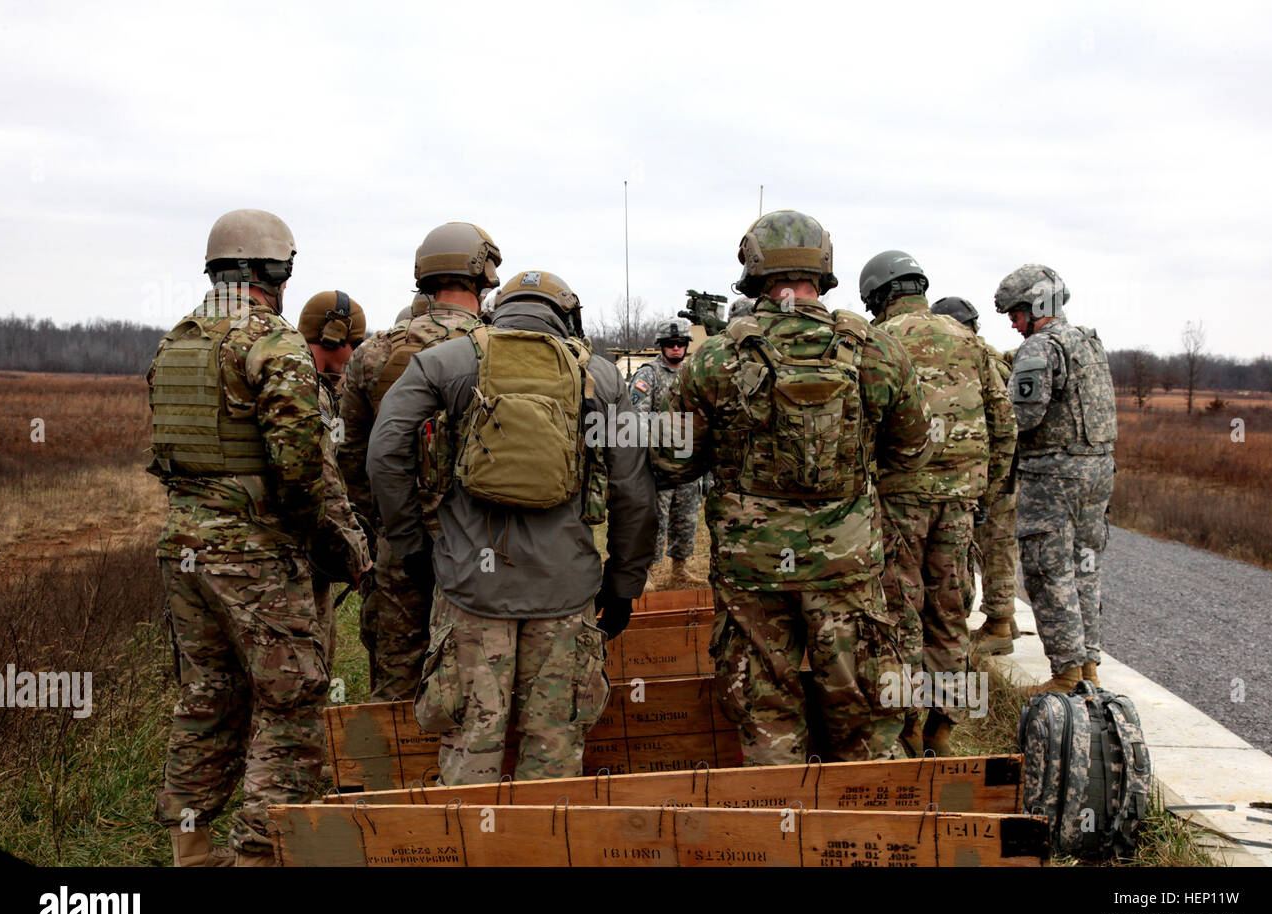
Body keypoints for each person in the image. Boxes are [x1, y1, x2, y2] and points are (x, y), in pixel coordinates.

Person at [652, 211, 935, 765]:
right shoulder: (876, 350)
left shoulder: (713, 358)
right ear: (823, 268)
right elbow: (914, 451)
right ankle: (869, 822)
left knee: (765, 709)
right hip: (847, 564)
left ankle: (784, 823)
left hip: (752, 569)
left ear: (754, 272)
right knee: (864, 709)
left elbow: (672, 460)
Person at [367, 269, 656, 784]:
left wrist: (413, 547)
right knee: (553, 754)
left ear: (498, 310)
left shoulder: (443, 362)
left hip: (469, 588)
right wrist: (625, 582)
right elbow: (633, 490)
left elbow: (385, 453)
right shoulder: (604, 378)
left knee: (469, 748)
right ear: (565, 316)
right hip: (565, 593)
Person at [147, 209, 331, 866]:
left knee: (207, 694)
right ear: (270, 270)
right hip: (254, 554)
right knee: (292, 699)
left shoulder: (176, 341)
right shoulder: (273, 341)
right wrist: (324, 542)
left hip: (183, 549)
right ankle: (262, 853)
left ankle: (190, 850)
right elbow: (300, 464)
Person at [859, 255, 1016, 757]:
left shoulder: (877, 341)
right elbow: (1004, 423)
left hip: (899, 500)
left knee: (900, 612)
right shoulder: (970, 340)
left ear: (878, 297)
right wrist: (984, 496)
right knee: (950, 612)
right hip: (960, 501)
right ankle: (943, 728)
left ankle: (902, 725)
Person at [338, 223, 500, 702]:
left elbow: (353, 456)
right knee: (480, 682)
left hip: (400, 543)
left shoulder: (373, 353)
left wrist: (384, 525)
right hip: (482, 543)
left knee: (397, 681)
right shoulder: (500, 348)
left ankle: (394, 771)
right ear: (484, 276)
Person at [995, 264, 1117, 693]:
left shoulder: (1038, 350)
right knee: (1085, 569)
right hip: (1097, 472)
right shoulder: (1089, 343)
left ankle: (1065, 675)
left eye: (1015, 314)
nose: (1012, 323)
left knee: (1049, 571)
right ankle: (1087, 669)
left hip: (1053, 477)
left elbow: (1021, 418)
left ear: (1034, 308)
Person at [931, 296, 1021, 657]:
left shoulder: (969, 358)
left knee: (990, 547)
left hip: (989, 472)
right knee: (996, 546)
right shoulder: (990, 355)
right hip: (999, 467)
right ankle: (1003, 618)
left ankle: (998, 623)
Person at [295, 291, 373, 669]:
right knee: (307, 672)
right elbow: (322, 478)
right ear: (332, 336)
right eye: (355, 344)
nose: (356, 355)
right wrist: (355, 554)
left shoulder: (285, 373)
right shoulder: (305, 389)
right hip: (290, 559)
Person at [629, 318, 702, 589]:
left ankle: (679, 569)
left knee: (686, 519)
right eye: (670, 344)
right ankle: (646, 571)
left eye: (680, 344)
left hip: (687, 462)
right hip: (658, 463)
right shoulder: (648, 374)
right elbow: (638, 417)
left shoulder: (693, 373)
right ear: (661, 346)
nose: (675, 349)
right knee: (655, 521)